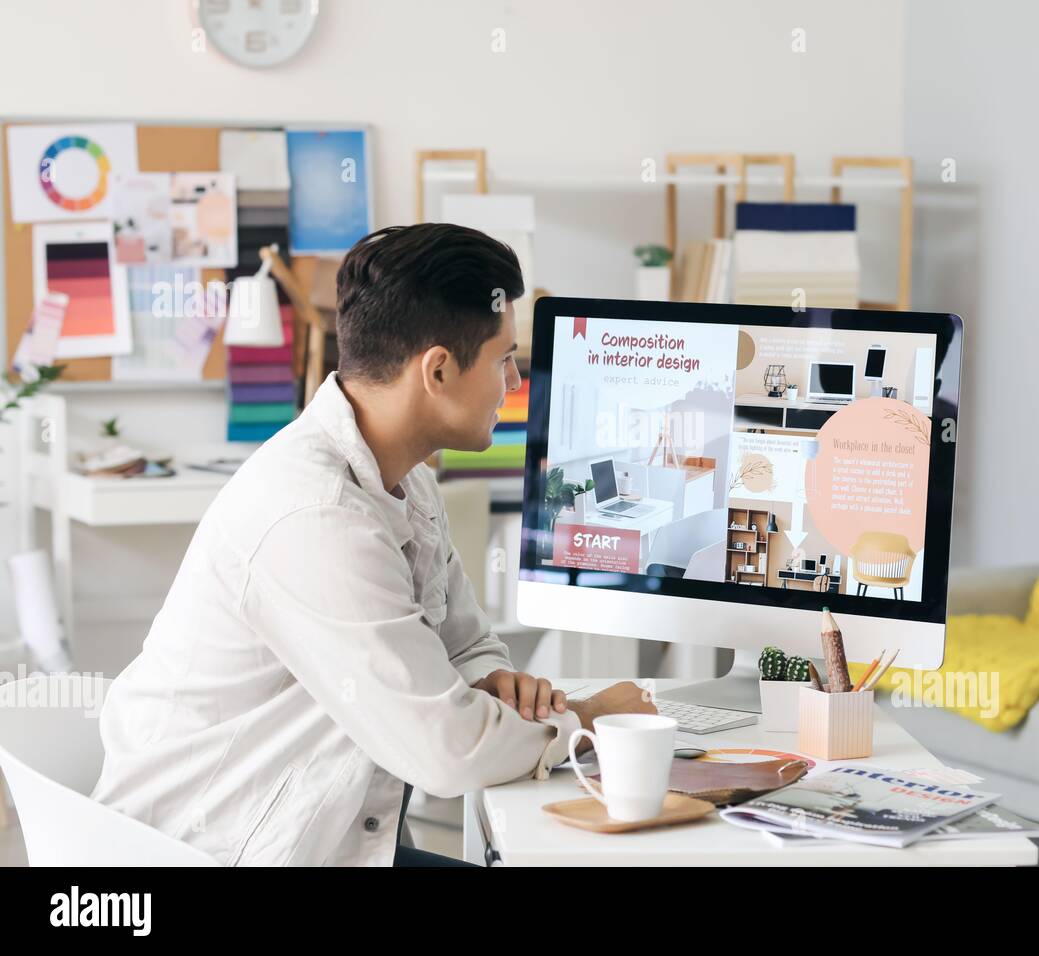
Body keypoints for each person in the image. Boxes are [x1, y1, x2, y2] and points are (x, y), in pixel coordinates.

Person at [90, 223, 655, 866]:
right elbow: (445, 751)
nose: (514, 384)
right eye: (504, 360)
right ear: (438, 370)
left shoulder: (404, 477)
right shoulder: (317, 516)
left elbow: (467, 643)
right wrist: (585, 724)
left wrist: (495, 682)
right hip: (219, 853)